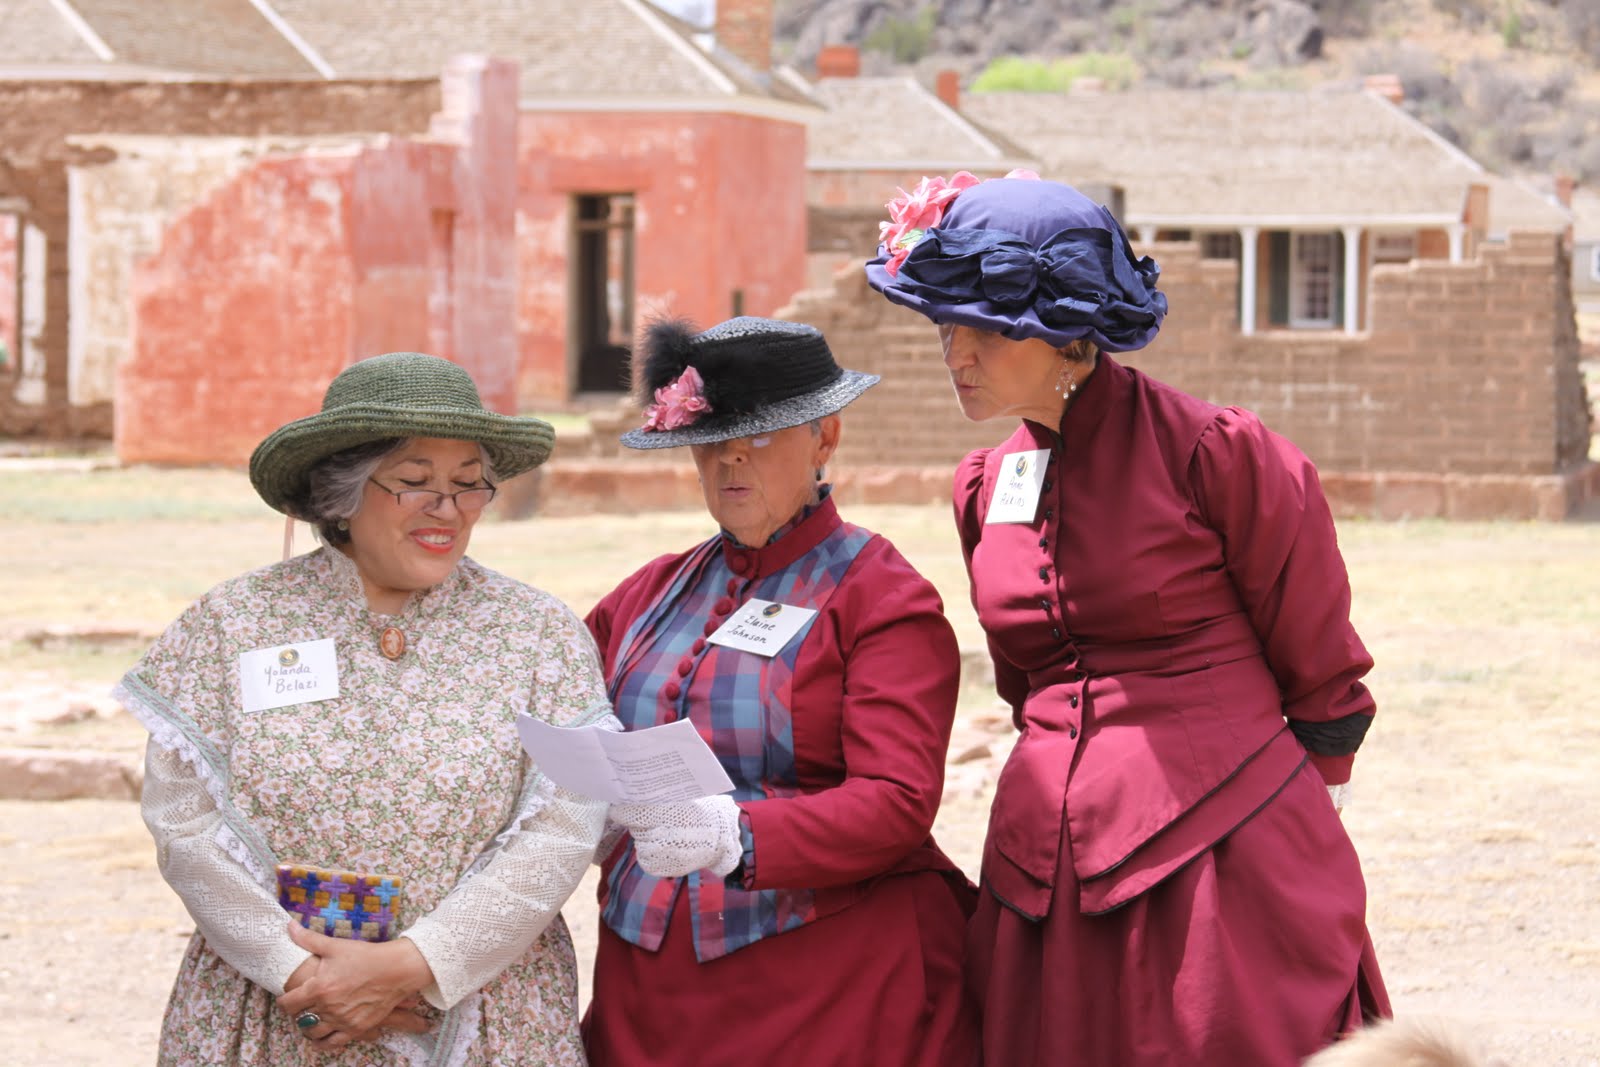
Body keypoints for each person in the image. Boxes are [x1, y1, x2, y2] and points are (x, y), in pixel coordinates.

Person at [864, 172, 1391, 1065]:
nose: (956, 352)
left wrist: (1309, 811)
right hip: (1044, 873)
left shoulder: (1214, 454)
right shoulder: (984, 486)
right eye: (943, 324)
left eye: (984, 327)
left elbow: (1320, 662)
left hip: (1220, 857)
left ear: (1065, 332)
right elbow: (1025, 681)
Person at [116, 352, 611, 1066]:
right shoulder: (234, 622)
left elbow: (565, 827)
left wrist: (417, 964)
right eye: (414, 482)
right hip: (277, 1010)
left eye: (468, 484)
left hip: (485, 1014)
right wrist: (301, 974)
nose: (448, 509)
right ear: (343, 492)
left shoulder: (537, 633)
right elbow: (184, 824)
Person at [580, 316, 979, 1067]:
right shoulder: (649, 592)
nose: (731, 460)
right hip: (644, 990)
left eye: (759, 437)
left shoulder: (881, 597)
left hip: (826, 986)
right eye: (713, 441)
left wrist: (739, 833)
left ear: (825, 439)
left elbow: (896, 801)